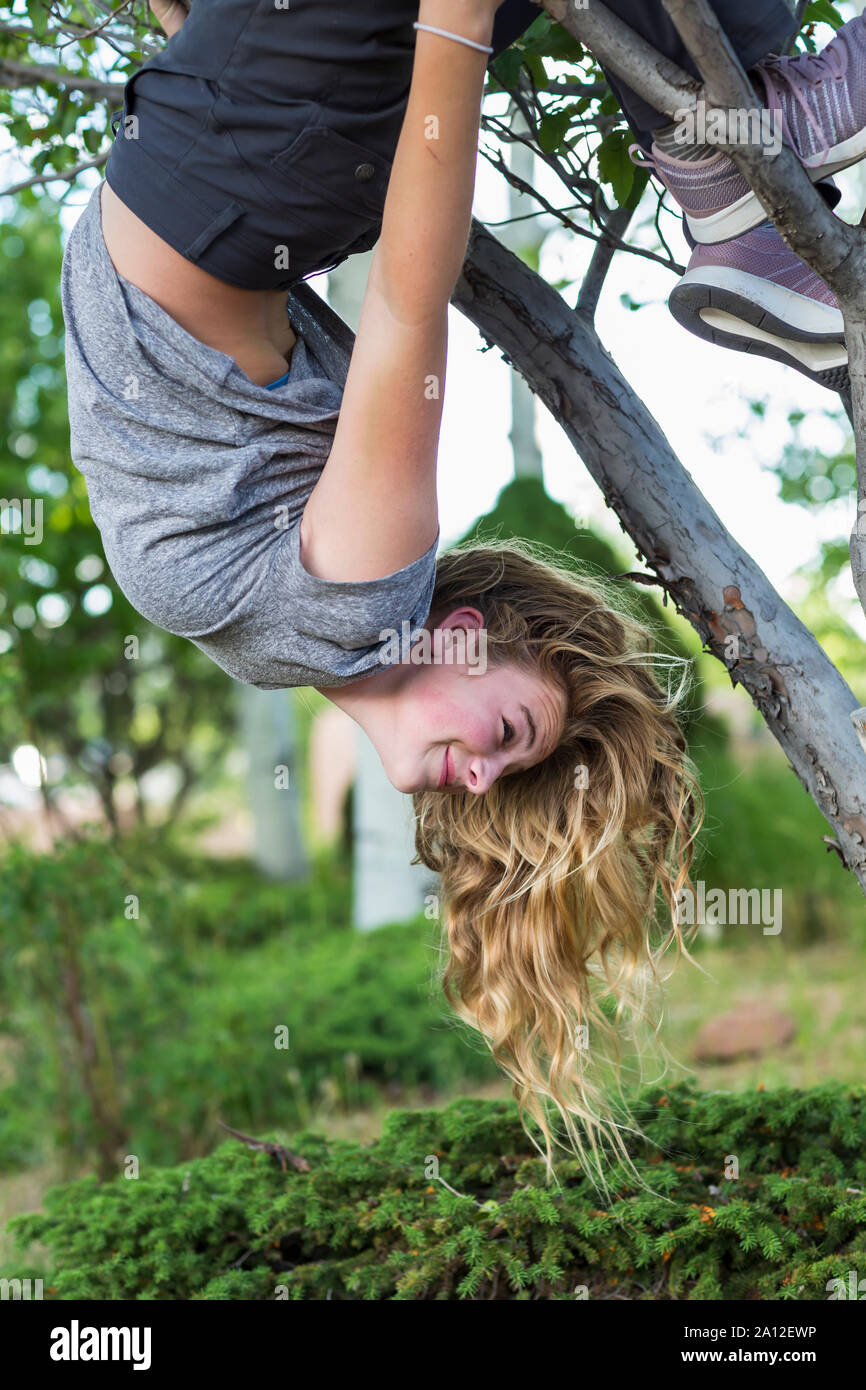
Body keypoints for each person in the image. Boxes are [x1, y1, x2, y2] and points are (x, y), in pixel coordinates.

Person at [57, 0, 844, 1175]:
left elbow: (377, 309)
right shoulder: (352, 613)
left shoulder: (337, 623)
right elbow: (398, 303)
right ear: (469, 641)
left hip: (236, 153)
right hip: (237, 161)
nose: (474, 770)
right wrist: (450, 26)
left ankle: (732, 180)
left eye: (487, 777)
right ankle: (734, 173)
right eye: (513, 738)